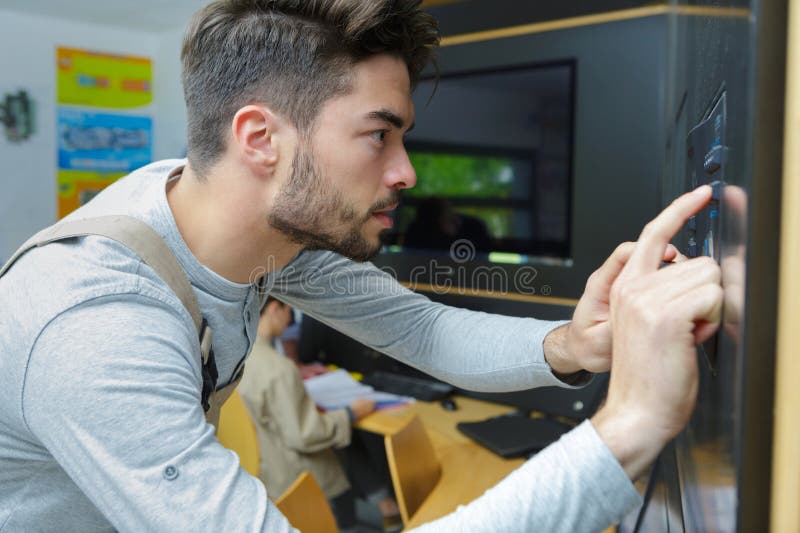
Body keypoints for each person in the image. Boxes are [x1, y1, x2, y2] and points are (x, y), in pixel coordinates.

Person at [0, 1, 722, 531]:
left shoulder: (249, 226)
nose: (406, 172)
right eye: (379, 135)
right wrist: (628, 426)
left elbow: (420, 329)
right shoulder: (98, 327)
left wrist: (574, 343)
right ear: (259, 139)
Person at [237, 297, 399, 531]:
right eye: (288, 311)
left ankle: (384, 505)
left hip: (263, 470)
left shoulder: (238, 358)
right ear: (274, 309)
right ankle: (386, 507)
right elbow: (305, 434)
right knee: (348, 442)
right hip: (300, 478)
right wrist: (351, 413)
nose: (290, 320)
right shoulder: (279, 369)